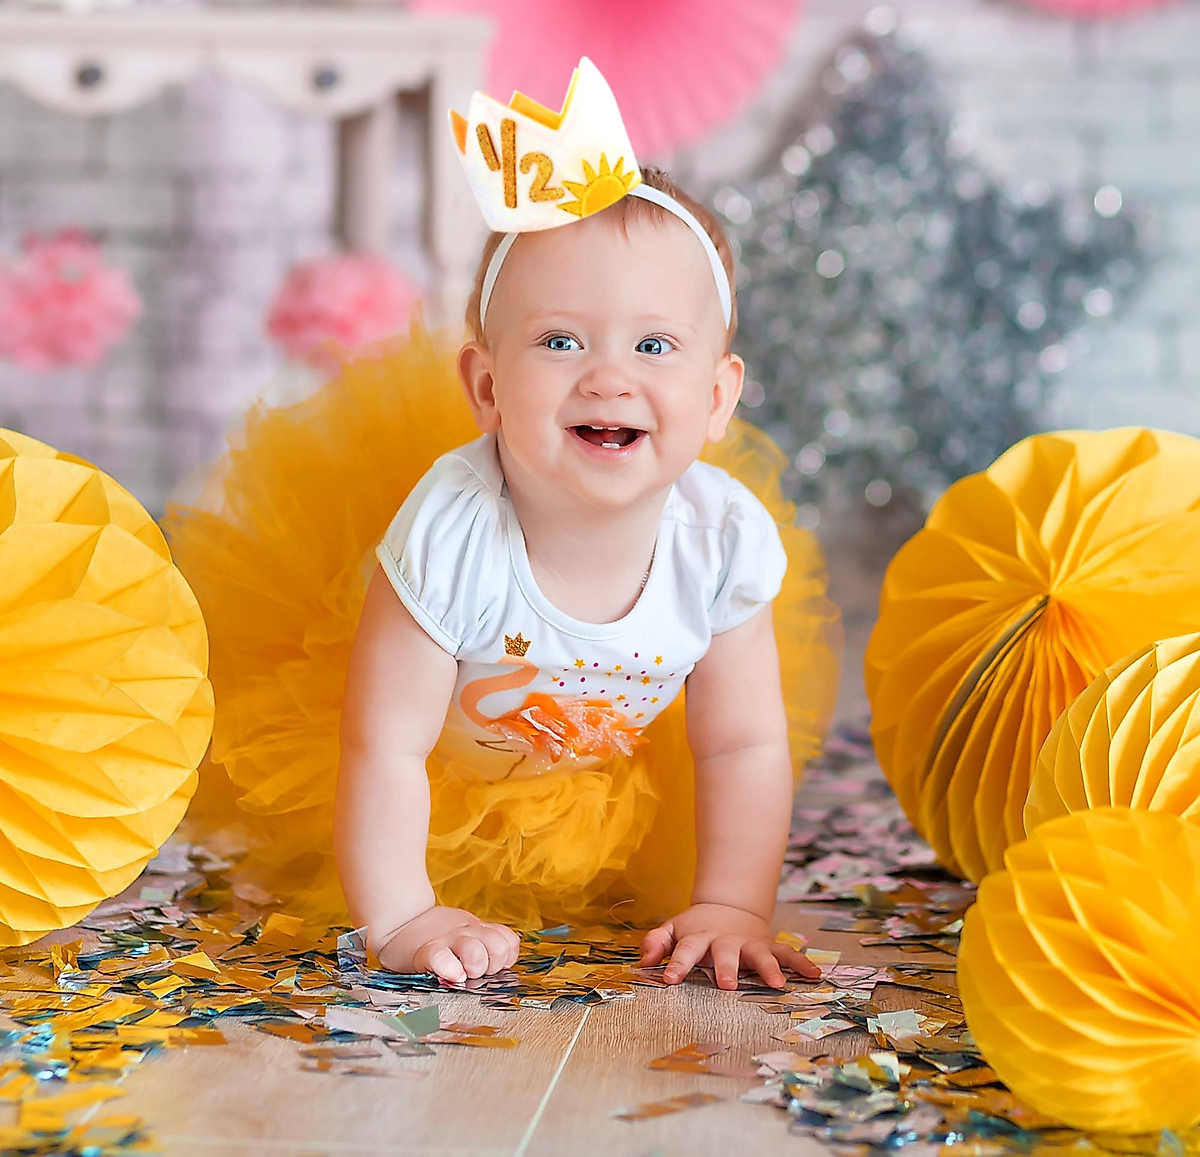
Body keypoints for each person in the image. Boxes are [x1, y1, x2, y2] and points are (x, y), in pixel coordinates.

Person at [165, 58, 840, 993]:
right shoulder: (453, 536)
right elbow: (385, 745)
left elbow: (740, 744)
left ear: (718, 397)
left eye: (654, 346)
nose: (608, 376)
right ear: (486, 388)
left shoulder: (720, 542)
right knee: (371, 776)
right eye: (561, 341)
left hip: (590, 763)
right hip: (419, 775)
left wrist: (732, 902)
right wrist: (402, 913)